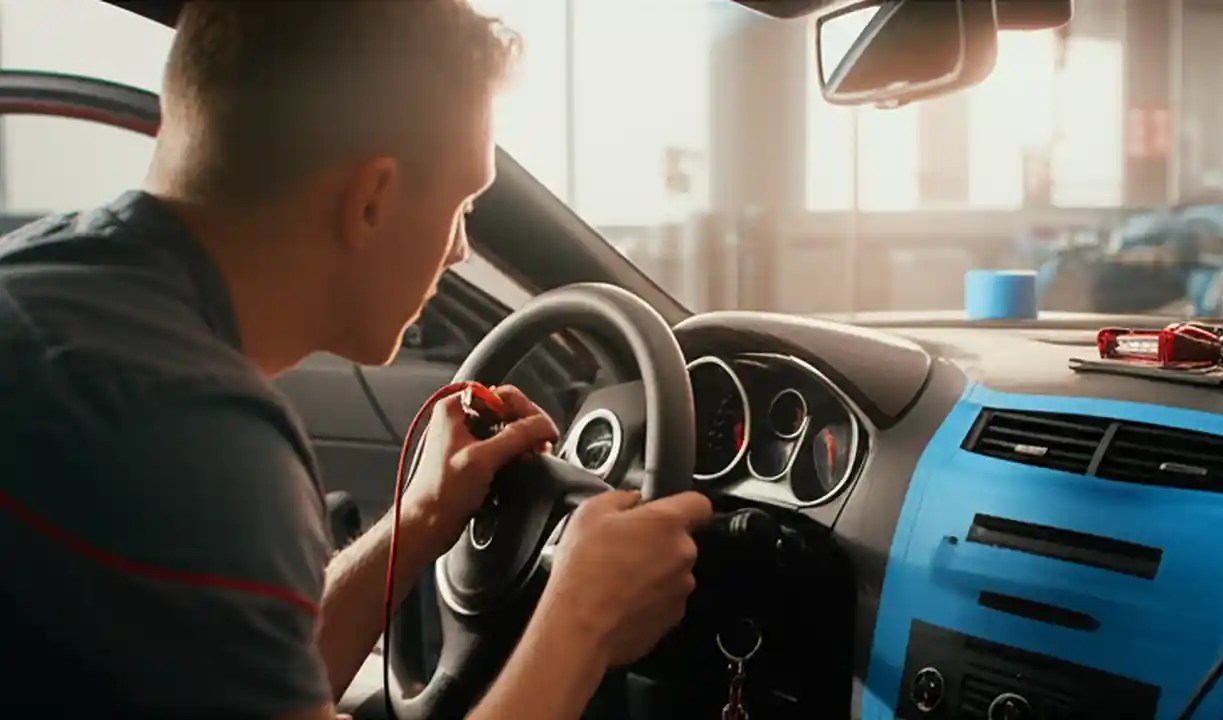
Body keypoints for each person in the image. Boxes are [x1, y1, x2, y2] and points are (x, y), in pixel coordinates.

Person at [0, 2, 711, 718]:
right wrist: (583, 620)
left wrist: (422, 516)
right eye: (463, 206)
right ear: (370, 201)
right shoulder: (193, 434)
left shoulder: (54, 295)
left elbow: (238, 674)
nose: (461, 248)